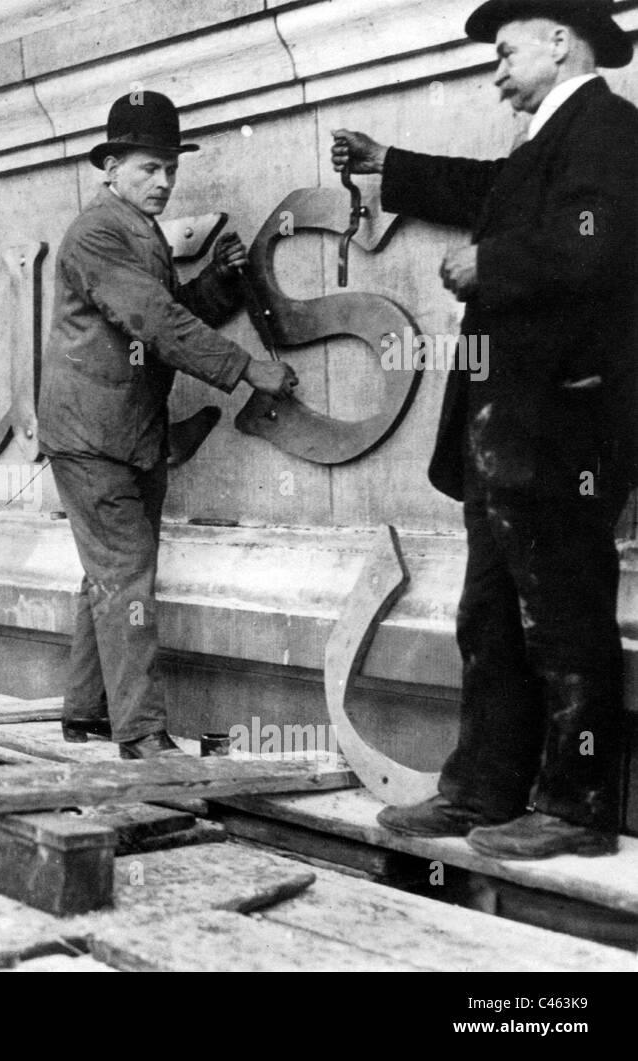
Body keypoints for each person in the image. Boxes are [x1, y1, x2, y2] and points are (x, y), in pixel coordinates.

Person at [332, 0, 638, 858]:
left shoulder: (611, 129)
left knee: (564, 611)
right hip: (510, 428)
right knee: (492, 613)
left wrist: (492, 262)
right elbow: (487, 191)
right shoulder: (550, 139)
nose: (495, 71)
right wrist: (390, 165)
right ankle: (483, 787)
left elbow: (605, 241)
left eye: (505, 53)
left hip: (563, 427)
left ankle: (575, 809)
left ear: (558, 40)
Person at [39, 91, 298, 760]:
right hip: (97, 435)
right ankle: (143, 733)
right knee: (125, 575)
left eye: (169, 170)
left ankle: (89, 711)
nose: (162, 182)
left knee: (111, 572)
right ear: (111, 167)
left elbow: (166, 309)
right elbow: (151, 322)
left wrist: (217, 282)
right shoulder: (99, 231)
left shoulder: (137, 230)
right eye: (147, 168)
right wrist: (247, 368)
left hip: (120, 432)